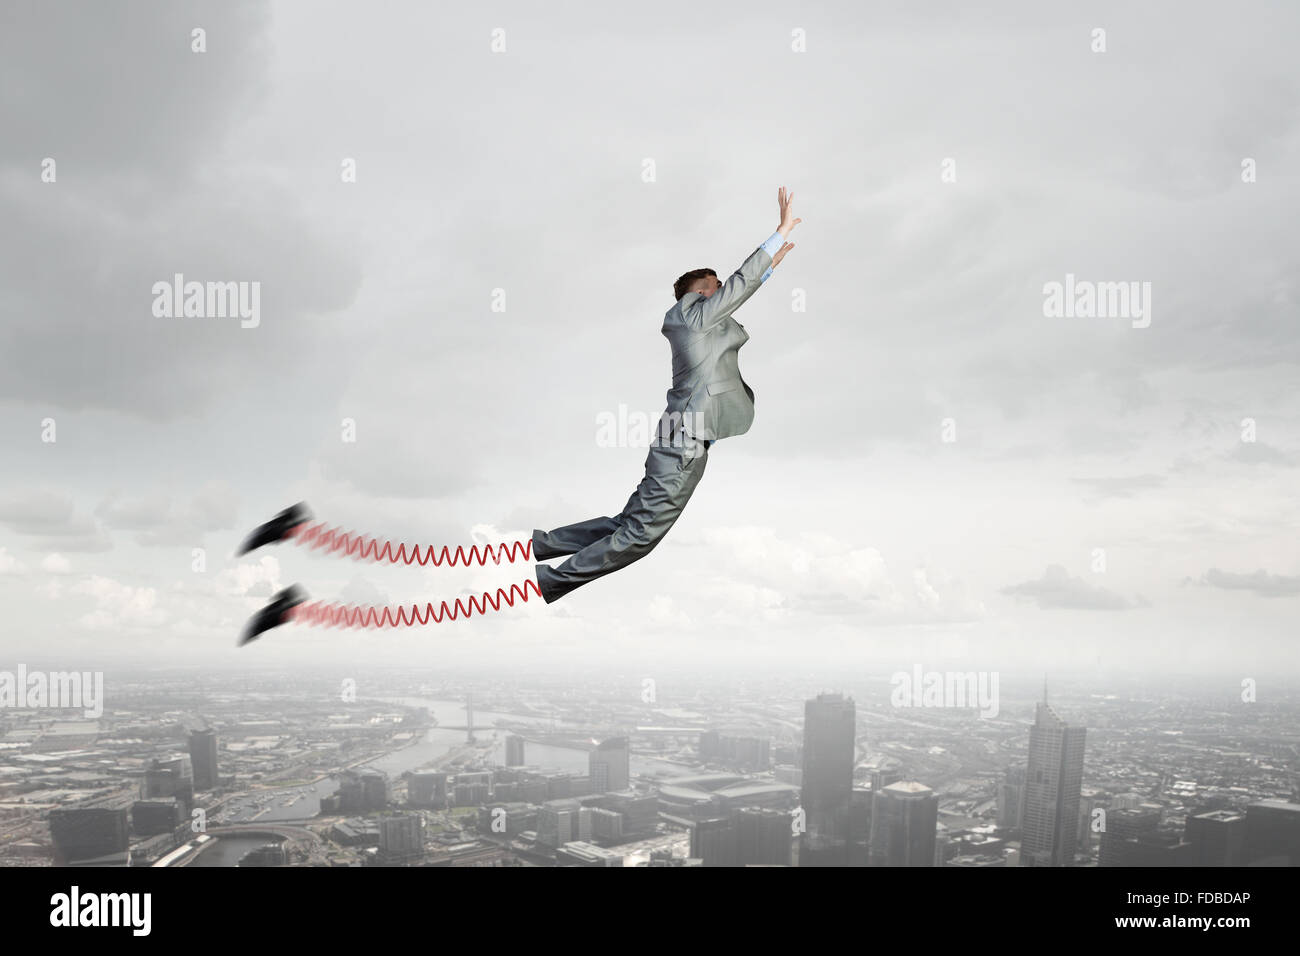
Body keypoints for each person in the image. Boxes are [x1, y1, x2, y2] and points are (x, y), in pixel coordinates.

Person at [531, 186, 801, 603]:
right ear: (701, 292)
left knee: (628, 522)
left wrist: (770, 266)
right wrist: (777, 235)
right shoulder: (692, 318)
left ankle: (546, 544)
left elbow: (742, 286)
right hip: (685, 443)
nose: (724, 290)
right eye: (716, 286)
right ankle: (550, 578)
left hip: (680, 439)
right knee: (640, 536)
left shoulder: (694, 322)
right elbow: (740, 284)